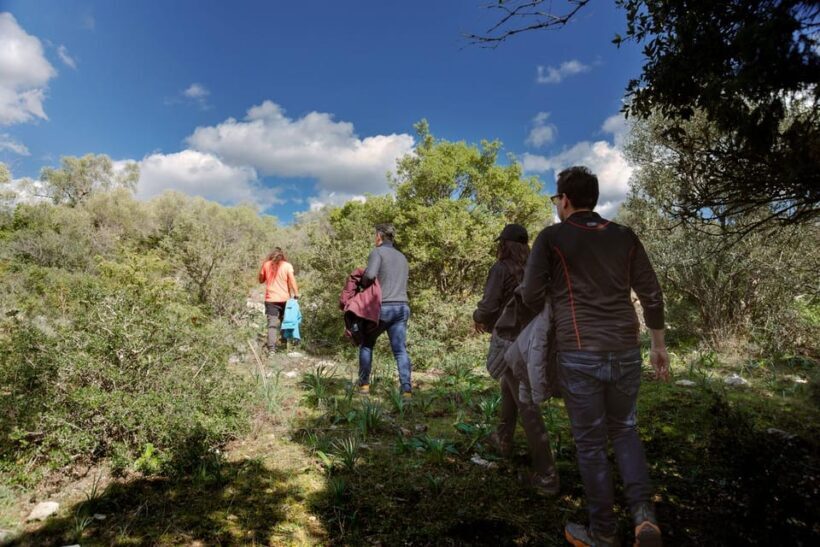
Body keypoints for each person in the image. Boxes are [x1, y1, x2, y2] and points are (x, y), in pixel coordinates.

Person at [521, 166, 668, 547]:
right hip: (625, 350)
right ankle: (644, 519)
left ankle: (602, 532)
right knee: (625, 429)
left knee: (589, 444)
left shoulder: (552, 238)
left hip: (579, 352)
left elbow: (531, 294)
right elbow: (651, 294)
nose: (557, 205)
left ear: (565, 200)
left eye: (556, 198)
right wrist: (658, 345)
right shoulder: (624, 236)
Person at [474, 223, 559, 496]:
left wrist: (477, 317)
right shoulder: (536, 270)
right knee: (510, 388)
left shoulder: (500, 269)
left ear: (505, 245)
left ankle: (547, 474)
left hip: (510, 339)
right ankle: (503, 438)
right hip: (534, 340)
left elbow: (488, 305)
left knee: (526, 403)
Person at [358, 223, 412, 397]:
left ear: (379, 236)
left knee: (366, 344)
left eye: (375, 235)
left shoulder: (378, 252)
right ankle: (406, 391)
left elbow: (370, 275)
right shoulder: (402, 257)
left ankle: (364, 386)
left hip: (383, 307)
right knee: (400, 350)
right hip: (402, 306)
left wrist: (362, 282)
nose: (374, 238)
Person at [258, 247, 299, 353]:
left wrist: (263, 269)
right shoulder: (287, 265)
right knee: (285, 322)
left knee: (272, 324)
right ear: (282, 255)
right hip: (285, 299)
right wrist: (296, 294)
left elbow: (261, 280)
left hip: (271, 300)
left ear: (271, 255)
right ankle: (284, 344)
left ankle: (271, 349)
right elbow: (292, 280)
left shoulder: (266, 264)